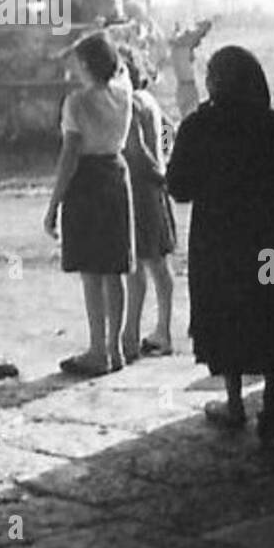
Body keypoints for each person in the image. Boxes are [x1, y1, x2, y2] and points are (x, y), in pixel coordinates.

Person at [165, 45, 274, 440]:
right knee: (272, 313)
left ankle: (235, 403)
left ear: (216, 81)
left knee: (226, 315)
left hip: (218, 243)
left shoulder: (198, 126)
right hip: (271, 238)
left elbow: (179, 188)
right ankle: (272, 400)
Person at [44, 32, 135, 376]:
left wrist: (54, 205)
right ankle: (115, 348)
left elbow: (69, 155)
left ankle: (98, 351)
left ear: (85, 64)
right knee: (114, 267)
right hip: (116, 173)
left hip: (87, 181)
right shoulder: (124, 95)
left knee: (91, 272)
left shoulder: (76, 103)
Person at [119, 48, 178, 360]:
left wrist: (151, 167)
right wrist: (163, 165)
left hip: (139, 187)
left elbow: (135, 148)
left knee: (136, 266)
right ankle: (163, 331)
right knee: (159, 265)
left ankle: (129, 335)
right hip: (155, 188)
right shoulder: (149, 100)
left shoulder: (129, 104)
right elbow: (170, 130)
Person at [169, 18, 213, 118]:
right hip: (188, 87)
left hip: (183, 87)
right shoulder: (182, 46)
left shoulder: (178, 48)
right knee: (192, 117)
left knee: (187, 117)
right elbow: (197, 34)